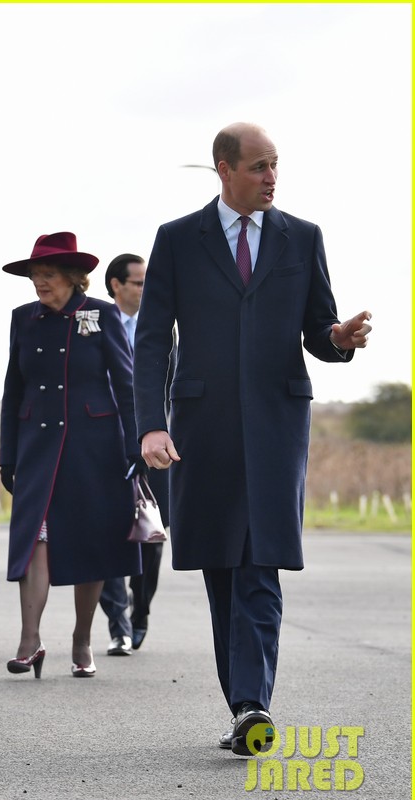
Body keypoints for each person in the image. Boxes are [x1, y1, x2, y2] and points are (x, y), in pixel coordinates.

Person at [134, 123, 372, 754]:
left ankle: (251, 704)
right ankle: (242, 699)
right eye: (260, 166)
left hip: (276, 425)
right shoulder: (178, 240)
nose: (272, 177)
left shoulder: (303, 237)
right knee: (221, 564)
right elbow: (154, 338)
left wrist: (338, 340)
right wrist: (151, 424)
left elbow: (319, 326)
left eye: (276, 166)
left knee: (261, 562)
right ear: (224, 169)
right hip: (201, 428)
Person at [0, 233, 142, 679]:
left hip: (95, 449)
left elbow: (125, 382)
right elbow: (12, 390)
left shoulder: (101, 315)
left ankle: (82, 639)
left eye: (48, 276)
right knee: (34, 541)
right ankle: (29, 640)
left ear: (73, 278)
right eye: (35, 276)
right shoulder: (23, 318)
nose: (39, 283)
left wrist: (136, 446)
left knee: (91, 543)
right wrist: (8, 454)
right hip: (37, 448)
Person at [96, 253, 171, 655]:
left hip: (155, 448)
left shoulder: (163, 331)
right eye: (138, 282)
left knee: (150, 538)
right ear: (115, 285)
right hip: (106, 444)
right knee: (108, 537)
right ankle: (118, 623)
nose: (145, 289)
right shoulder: (96, 325)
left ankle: (140, 611)